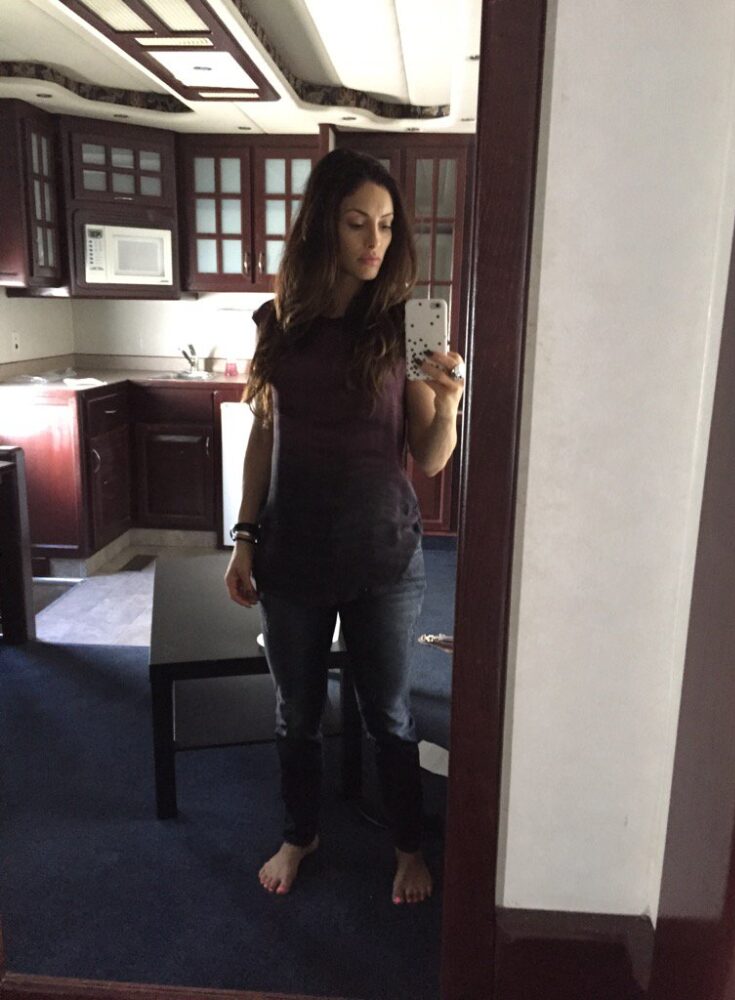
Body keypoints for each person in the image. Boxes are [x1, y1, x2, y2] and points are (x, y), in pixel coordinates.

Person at [225, 148, 464, 905]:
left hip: (383, 555)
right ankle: (300, 833)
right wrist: (243, 536)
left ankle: (407, 845)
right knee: (296, 712)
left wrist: (450, 403)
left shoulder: (406, 323)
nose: (374, 242)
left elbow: (430, 455)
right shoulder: (280, 320)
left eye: (387, 226)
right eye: (358, 222)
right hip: (291, 553)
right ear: (323, 224)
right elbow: (265, 433)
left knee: (388, 713)